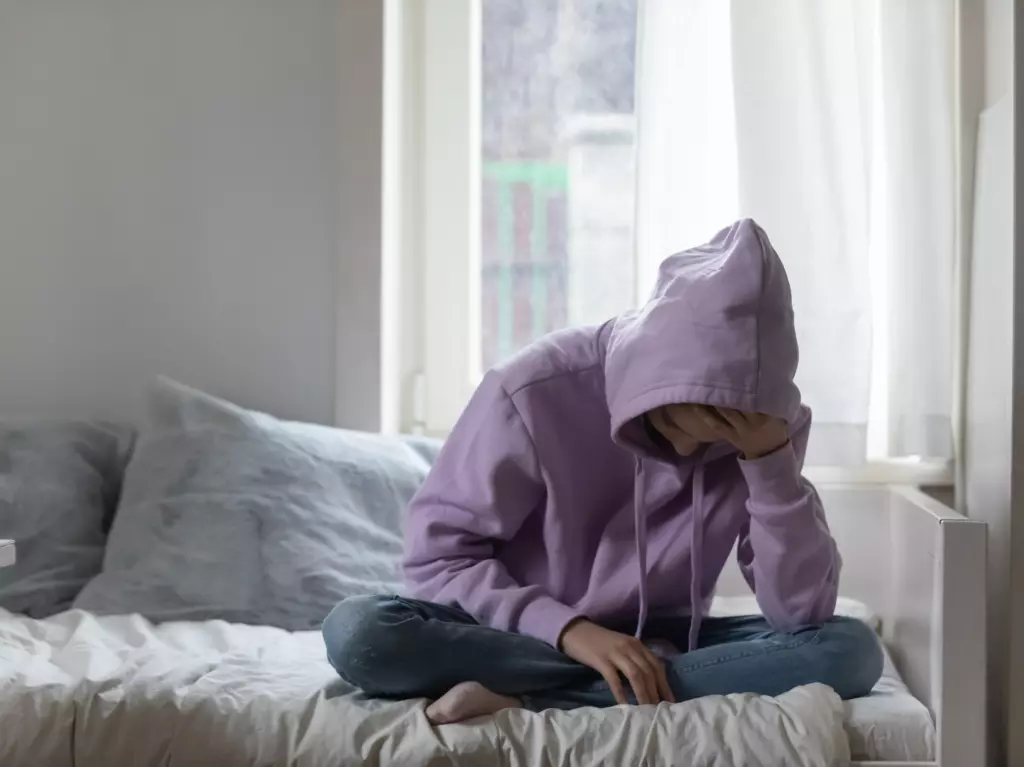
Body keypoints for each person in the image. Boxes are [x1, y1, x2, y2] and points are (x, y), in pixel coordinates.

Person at [322, 219, 883, 724]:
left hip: (653, 645)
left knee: (848, 649)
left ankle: (530, 700)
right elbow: (437, 559)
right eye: (689, 418)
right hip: (508, 635)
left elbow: (800, 613)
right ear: (654, 381)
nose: (693, 450)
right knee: (361, 633)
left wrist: (768, 466)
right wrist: (571, 632)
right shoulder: (533, 390)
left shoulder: (766, 432)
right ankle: (592, 683)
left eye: (724, 434)